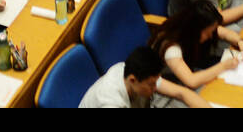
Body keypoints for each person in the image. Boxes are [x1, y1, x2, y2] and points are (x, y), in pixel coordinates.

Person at [150, 1, 243, 88]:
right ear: (195, 30)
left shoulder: (190, 28)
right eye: (208, 33)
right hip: (171, 82)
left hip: (191, 65)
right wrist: (224, 66)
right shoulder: (171, 49)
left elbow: (225, 33)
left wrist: (241, 43)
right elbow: (191, 81)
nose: (210, 36)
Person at [79, 46, 208, 107]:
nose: (155, 88)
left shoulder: (132, 71)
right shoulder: (110, 103)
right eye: (151, 85)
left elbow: (181, 93)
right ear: (133, 80)